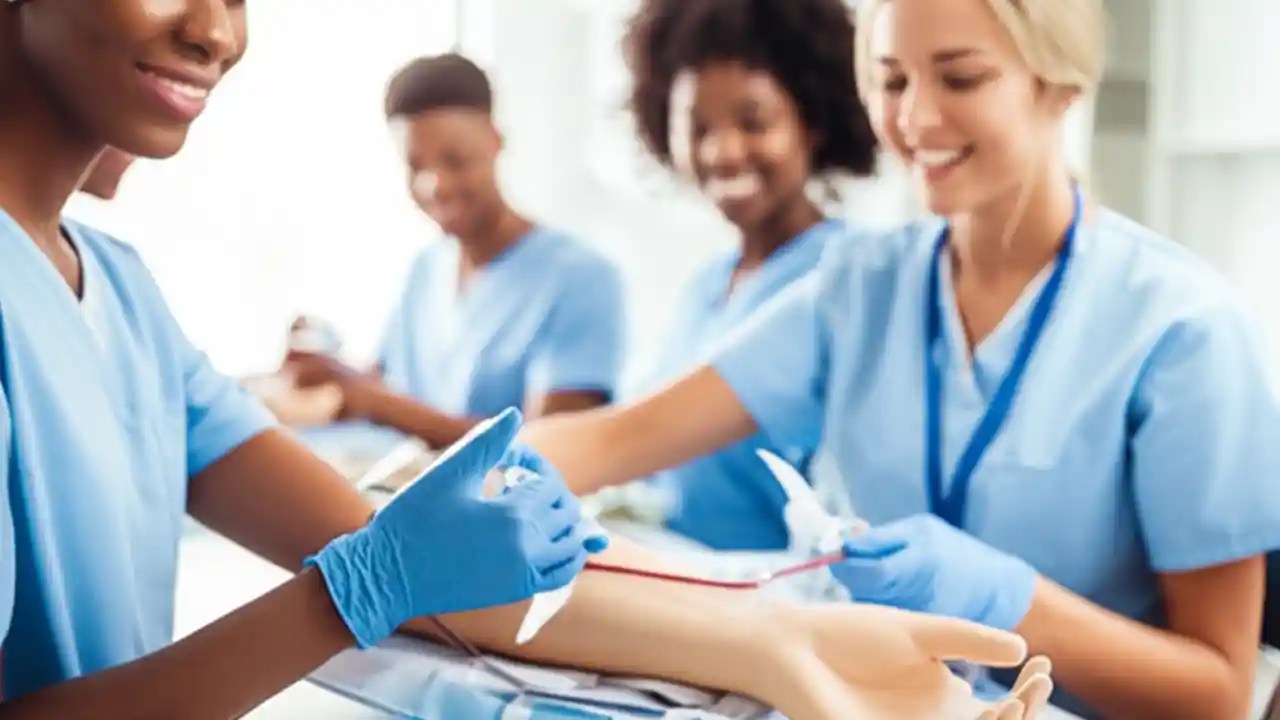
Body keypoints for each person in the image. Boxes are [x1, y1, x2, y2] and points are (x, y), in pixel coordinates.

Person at [0, 2, 1051, 718]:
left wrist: (780, 647)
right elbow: (390, 569)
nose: (219, 29)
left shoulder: (123, 295)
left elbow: (418, 564)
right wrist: (355, 592)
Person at [519, 0, 1280, 716]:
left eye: (960, 78)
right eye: (891, 80)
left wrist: (1015, 600)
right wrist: (485, 477)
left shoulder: (1181, 328)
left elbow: (1215, 694)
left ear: (1060, 85)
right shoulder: (858, 290)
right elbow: (617, 440)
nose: (913, 117)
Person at [623, 0, 877, 551]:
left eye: (753, 122)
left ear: (811, 121)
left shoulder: (853, 275)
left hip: (785, 596)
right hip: (682, 572)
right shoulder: (707, 286)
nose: (723, 152)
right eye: (699, 128)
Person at [285, 53, 626, 449]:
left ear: (496, 142)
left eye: (456, 160)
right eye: (415, 166)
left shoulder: (581, 279)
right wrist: (332, 374)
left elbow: (550, 450)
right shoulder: (426, 269)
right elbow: (383, 385)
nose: (435, 185)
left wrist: (377, 403)